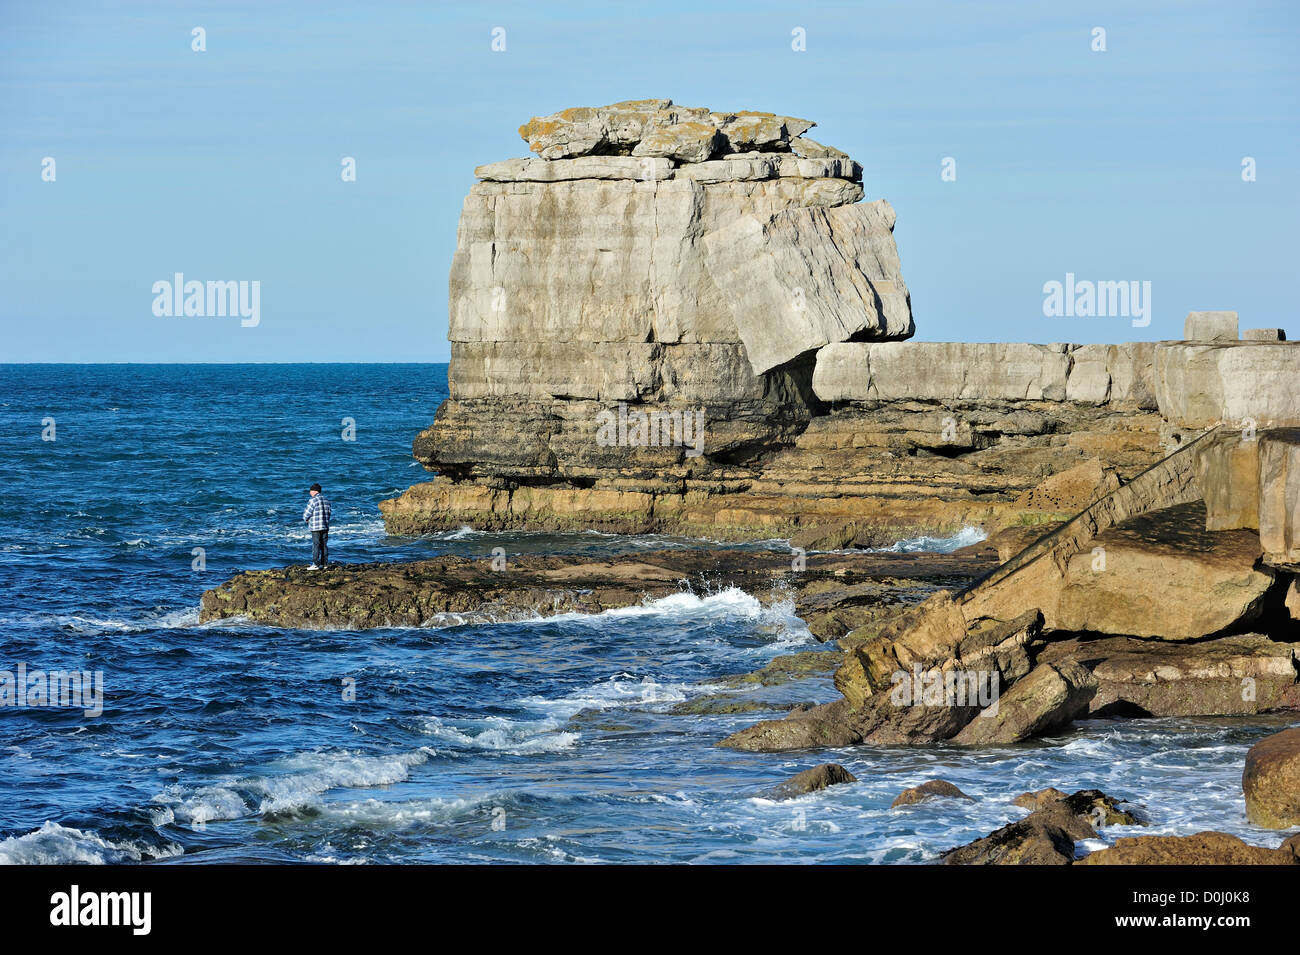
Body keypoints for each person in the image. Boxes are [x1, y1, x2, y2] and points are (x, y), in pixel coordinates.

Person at [303, 483, 332, 569]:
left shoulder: (313, 500)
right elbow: (329, 513)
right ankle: (324, 564)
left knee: (316, 545)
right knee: (324, 545)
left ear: (314, 491)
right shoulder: (326, 500)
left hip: (315, 527)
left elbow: (306, 514)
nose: (309, 493)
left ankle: (315, 564)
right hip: (325, 525)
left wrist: (306, 519)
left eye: (310, 491)